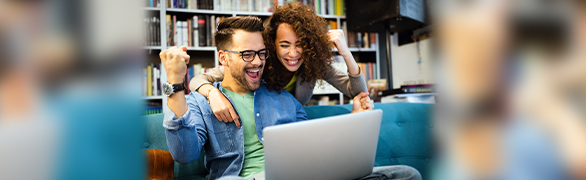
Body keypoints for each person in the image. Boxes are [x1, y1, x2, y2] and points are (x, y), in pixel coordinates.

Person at [161, 16, 420, 180]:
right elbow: (185, 154)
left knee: (407, 174)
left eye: (262, 54)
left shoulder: (285, 98)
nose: (258, 63)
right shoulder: (200, 101)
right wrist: (177, 85)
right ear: (223, 58)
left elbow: (312, 147)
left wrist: (352, 122)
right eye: (247, 54)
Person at [189, 2, 373, 125]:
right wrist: (212, 93)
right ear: (272, 44)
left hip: (293, 124)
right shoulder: (258, 62)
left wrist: (346, 53)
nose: (293, 54)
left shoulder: (311, 61)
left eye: (300, 45)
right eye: (285, 45)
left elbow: (358, 91)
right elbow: (198, 79)